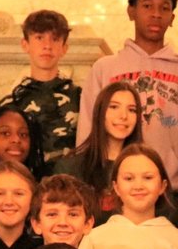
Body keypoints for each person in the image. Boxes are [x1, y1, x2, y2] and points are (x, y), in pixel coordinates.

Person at [77, 0, 178, 194]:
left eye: (164, 8)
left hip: (171, 188)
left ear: (172, 17)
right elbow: (87, 129)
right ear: (131, 12)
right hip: (112, 188)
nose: (156, 14)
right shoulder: (105, 68)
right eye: (147, 6)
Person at [0, 8, 81, 164]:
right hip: (26, 183)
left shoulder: (81, 98)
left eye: (55, 39)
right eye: (39, 38)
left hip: (69, 184)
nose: (47, 46)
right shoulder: (12, 101)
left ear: (64, 48)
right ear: (25, 44)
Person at [57, 82, 144, 219]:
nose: (123, 116)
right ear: (100, 112)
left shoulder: (146, 167)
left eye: (132, 110)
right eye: (114, 107)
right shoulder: (71, 167)